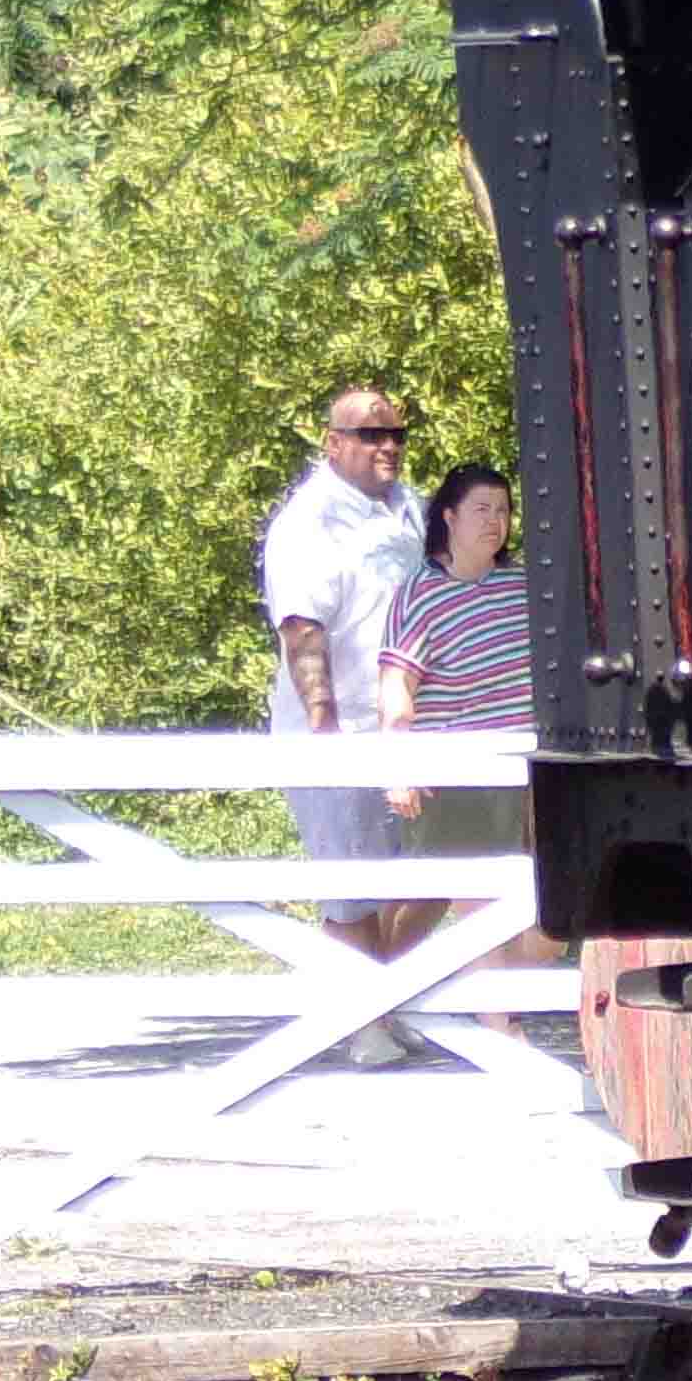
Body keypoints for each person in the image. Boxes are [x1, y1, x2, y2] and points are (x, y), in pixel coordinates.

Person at [259, 385, 422, 956]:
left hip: (403, 728)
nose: (388, 446)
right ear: (333, 443)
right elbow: (302, 632)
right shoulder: (311, 521)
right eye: (369, 434)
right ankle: (364, 1031)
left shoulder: (412, 507)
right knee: (353, 890)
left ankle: (390, 1003)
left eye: (396, 435)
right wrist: (324, 733)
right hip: (339, 731)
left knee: (418, 877)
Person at [376, 463, 534, 953]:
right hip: (456, 772)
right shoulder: (420, 594)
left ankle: (493, 1016)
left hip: (525, 772)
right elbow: (397, 687)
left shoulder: (523, 587)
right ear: (449, 517)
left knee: (532, 909)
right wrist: (397, 767)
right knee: (438, 899)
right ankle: (376, 1002)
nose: (495, 521)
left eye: (503, 510)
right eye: (481, 509)